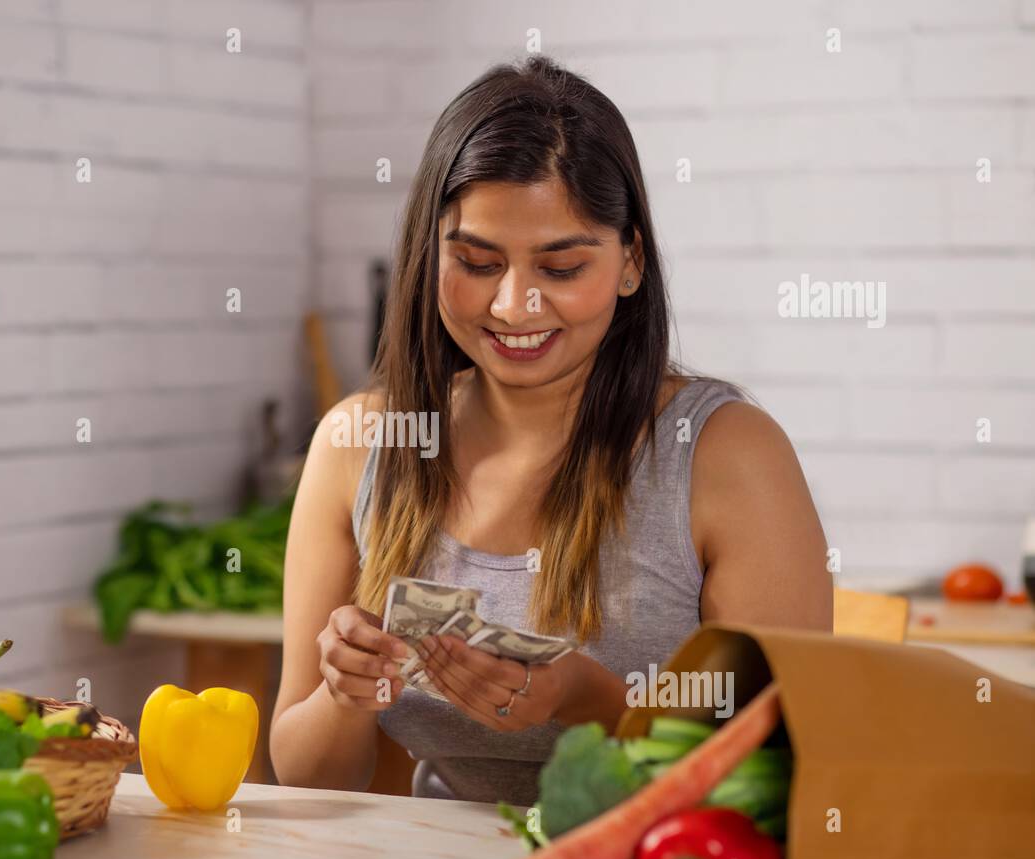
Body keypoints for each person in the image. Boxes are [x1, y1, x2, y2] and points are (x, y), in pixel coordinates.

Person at [270, 55, 831, 806]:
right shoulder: (360, 444)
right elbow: (308, 776)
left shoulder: (727, 455)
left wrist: (590, 700)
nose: (513, 305)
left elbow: (781, 770)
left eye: (561, 267)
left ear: (631, 261)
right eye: (475, 260)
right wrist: (344, 693)